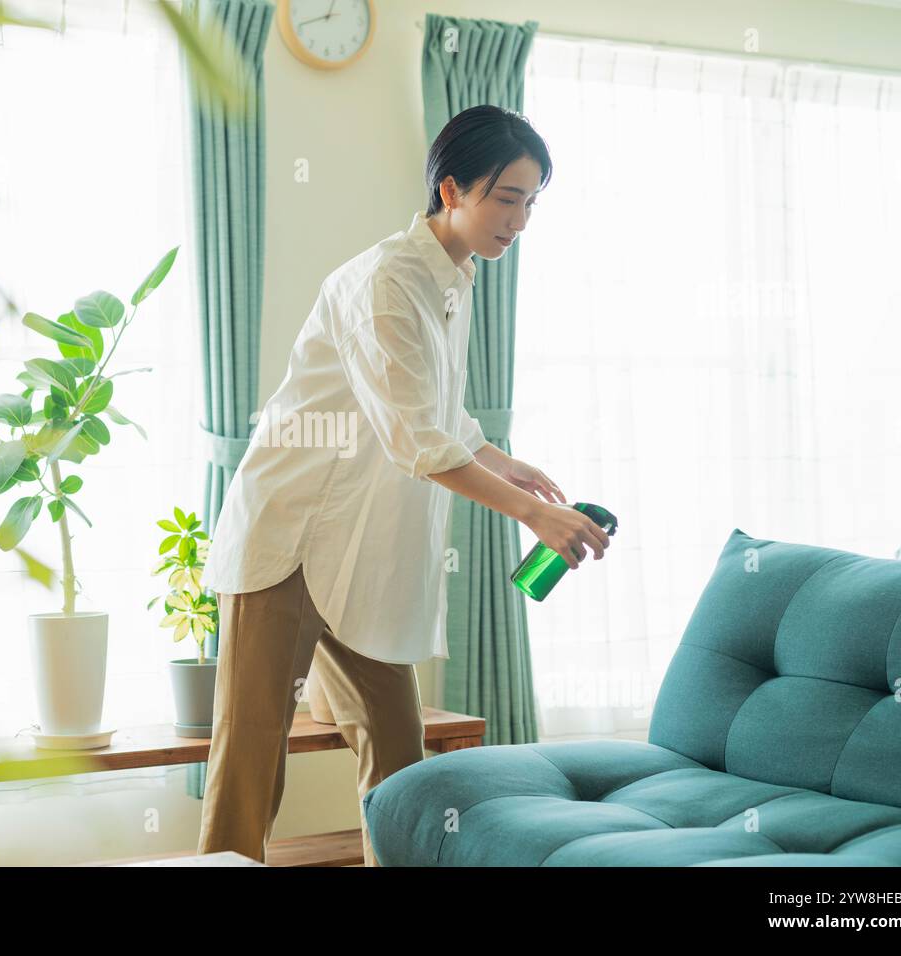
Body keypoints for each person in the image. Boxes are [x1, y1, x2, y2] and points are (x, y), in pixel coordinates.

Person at [195, 105, 611, 867]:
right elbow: (415, 437)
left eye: (531, 203)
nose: (518, 221)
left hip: (362, 552)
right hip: (289, 537)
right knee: (251, 754)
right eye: (506, 199)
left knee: (399, 758)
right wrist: (526, 514)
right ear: (451, 190)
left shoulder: (454, 274)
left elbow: (434, 407)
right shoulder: (386, 281)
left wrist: (503, 460)